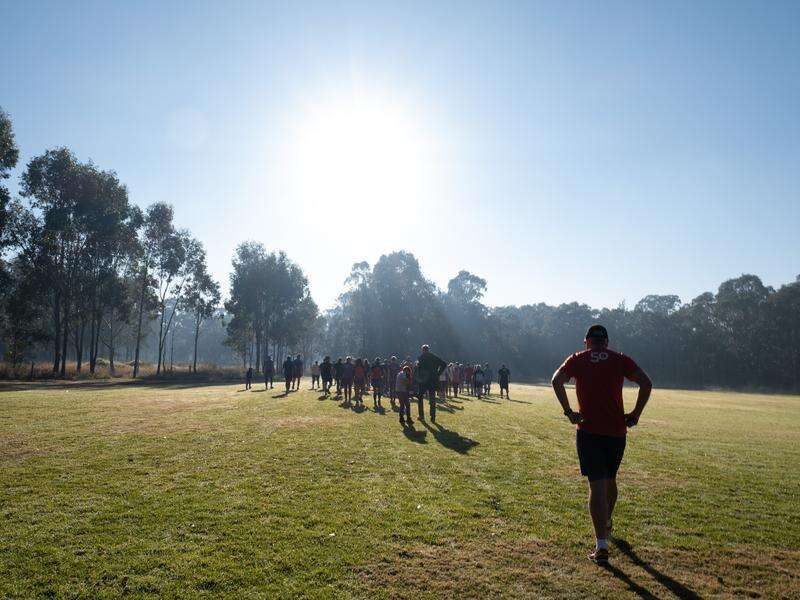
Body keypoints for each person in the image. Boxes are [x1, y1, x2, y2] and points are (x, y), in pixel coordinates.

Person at [551, 324, 652, 565]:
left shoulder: (578, 359)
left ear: (586, 341)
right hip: (617, 432)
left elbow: (556, 381)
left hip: (589, 431)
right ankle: (607, 522)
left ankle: (601, 545)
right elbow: (646, 383)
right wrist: (635, 414)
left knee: (596, 486)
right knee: (610, 480)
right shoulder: (620, 359)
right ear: (606, 342)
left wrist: (569, 412)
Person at [415, 344, 447, 422]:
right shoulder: (434, 357)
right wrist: (438, 374)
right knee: (432, 399)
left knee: (420, 397)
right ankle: (433, 416)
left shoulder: (420, 358)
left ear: (422, 350)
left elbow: (418, 370)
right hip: (432, 380)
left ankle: (421, 415)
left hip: (423, 381)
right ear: (428, 349)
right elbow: (444, 364)